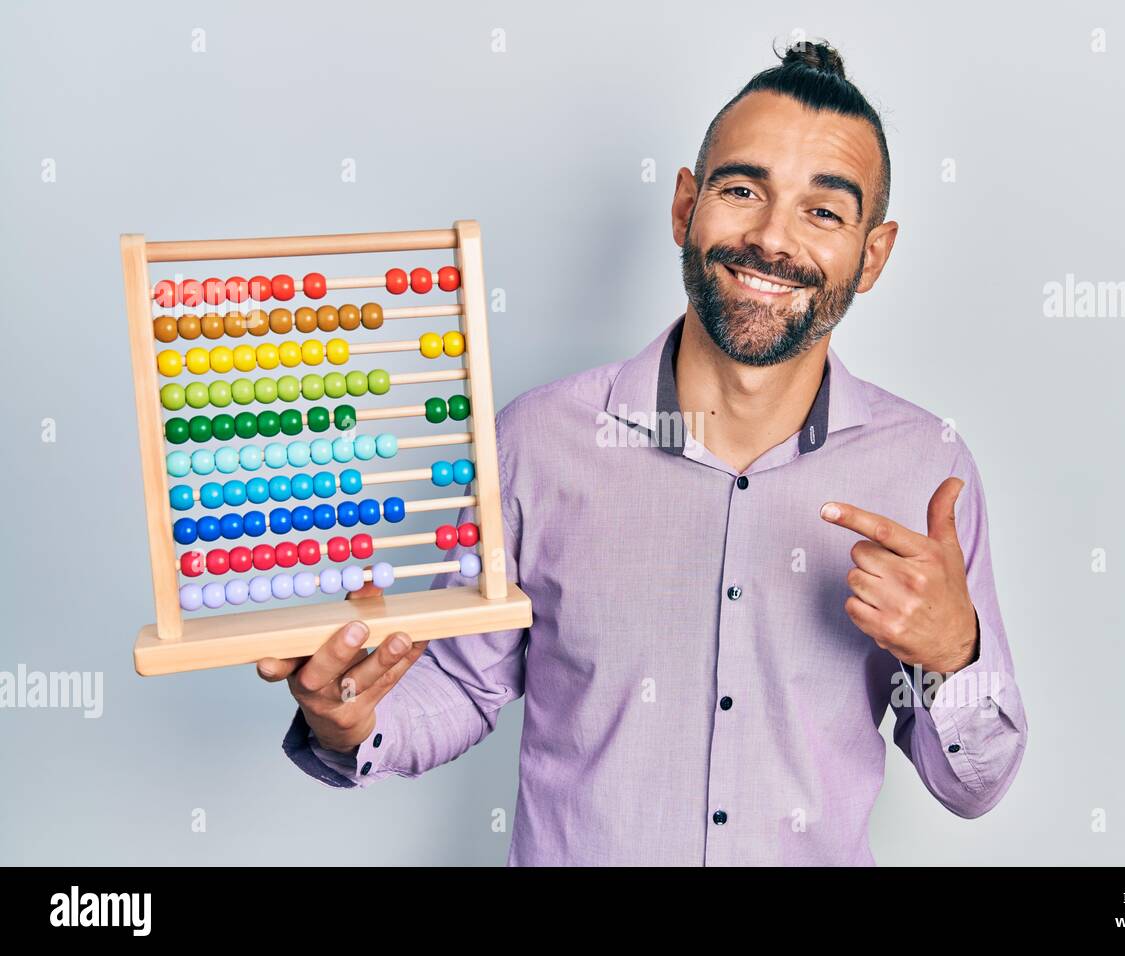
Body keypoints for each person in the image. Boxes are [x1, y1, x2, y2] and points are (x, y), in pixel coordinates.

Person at [260, 39, 1028, 866]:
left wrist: (956, 654)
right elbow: (460, 685)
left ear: (871, 255)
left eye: (825, 211)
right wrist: (350, 719)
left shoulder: (924, 472)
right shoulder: (537, 444)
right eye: (743, 190)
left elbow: (973, 784)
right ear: (684, 207)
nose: (772, 239)